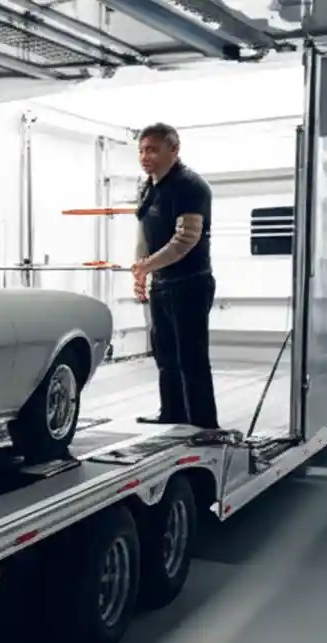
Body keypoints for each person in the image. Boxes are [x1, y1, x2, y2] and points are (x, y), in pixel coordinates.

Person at [130, 123, 219, 430]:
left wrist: (146, 265)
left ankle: (203, 423)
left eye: (152, 149)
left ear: (174, 150)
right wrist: (140, 271)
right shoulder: (148, 187)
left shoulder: (190, 186)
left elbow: (185, 239)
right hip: (162, 283)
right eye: (141, 150)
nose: (145, 156)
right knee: (165, 355)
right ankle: (173, 413)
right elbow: (144, 230)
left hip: (190, 283)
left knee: (191, 358)